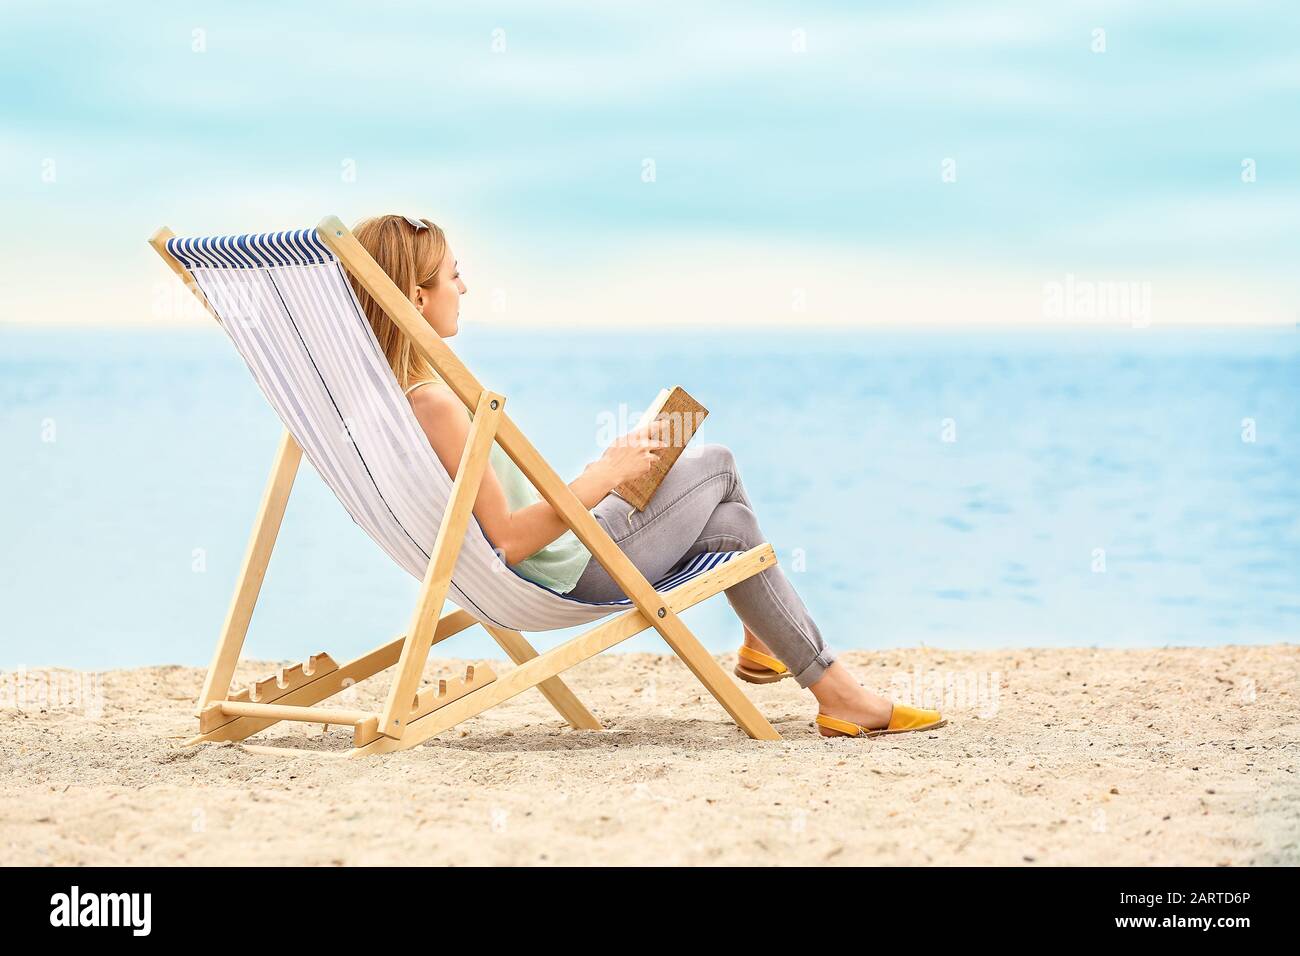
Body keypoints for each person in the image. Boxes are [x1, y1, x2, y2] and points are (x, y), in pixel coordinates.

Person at [345, 214, 945, 739]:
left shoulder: (392, 397)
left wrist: (597, 476)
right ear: (416, 298)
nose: (465, 286)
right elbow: (509, 540)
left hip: (567, 546)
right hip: (568, 569)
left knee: (734, 529)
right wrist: (606, 475)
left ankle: (828, 689)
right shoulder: (437, 404)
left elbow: (493, 519)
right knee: (716, 461)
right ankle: (791, 663)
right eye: (454, 275)